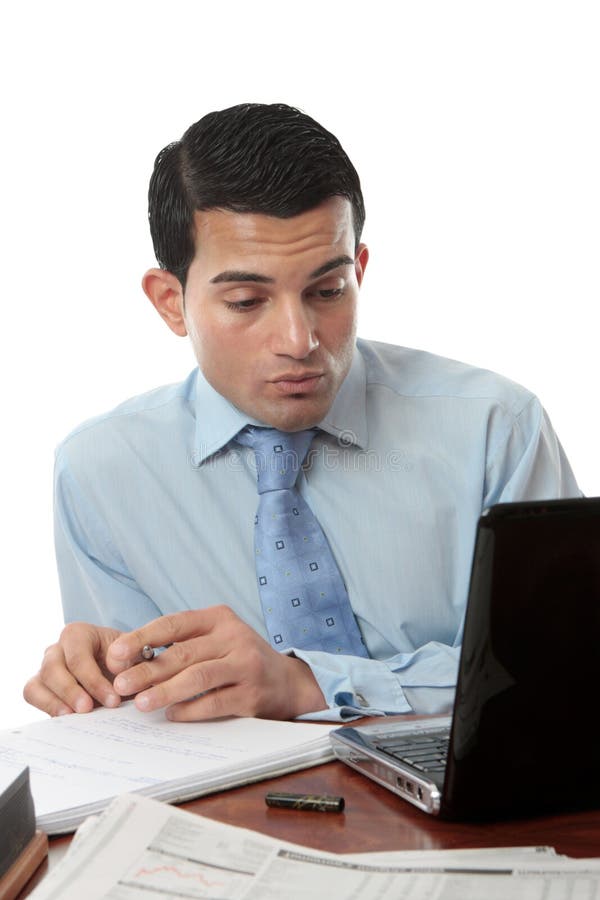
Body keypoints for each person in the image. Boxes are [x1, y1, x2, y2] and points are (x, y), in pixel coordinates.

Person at [24, 103, 580, 723]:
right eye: (246, 300)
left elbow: (566, 665)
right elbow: (140, 717)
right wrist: (97, 681)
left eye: (327, 291)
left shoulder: (496, 429)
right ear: (169, 302)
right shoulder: (102, 472)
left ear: (358, 271)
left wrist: (310, 686)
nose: (299, 339)